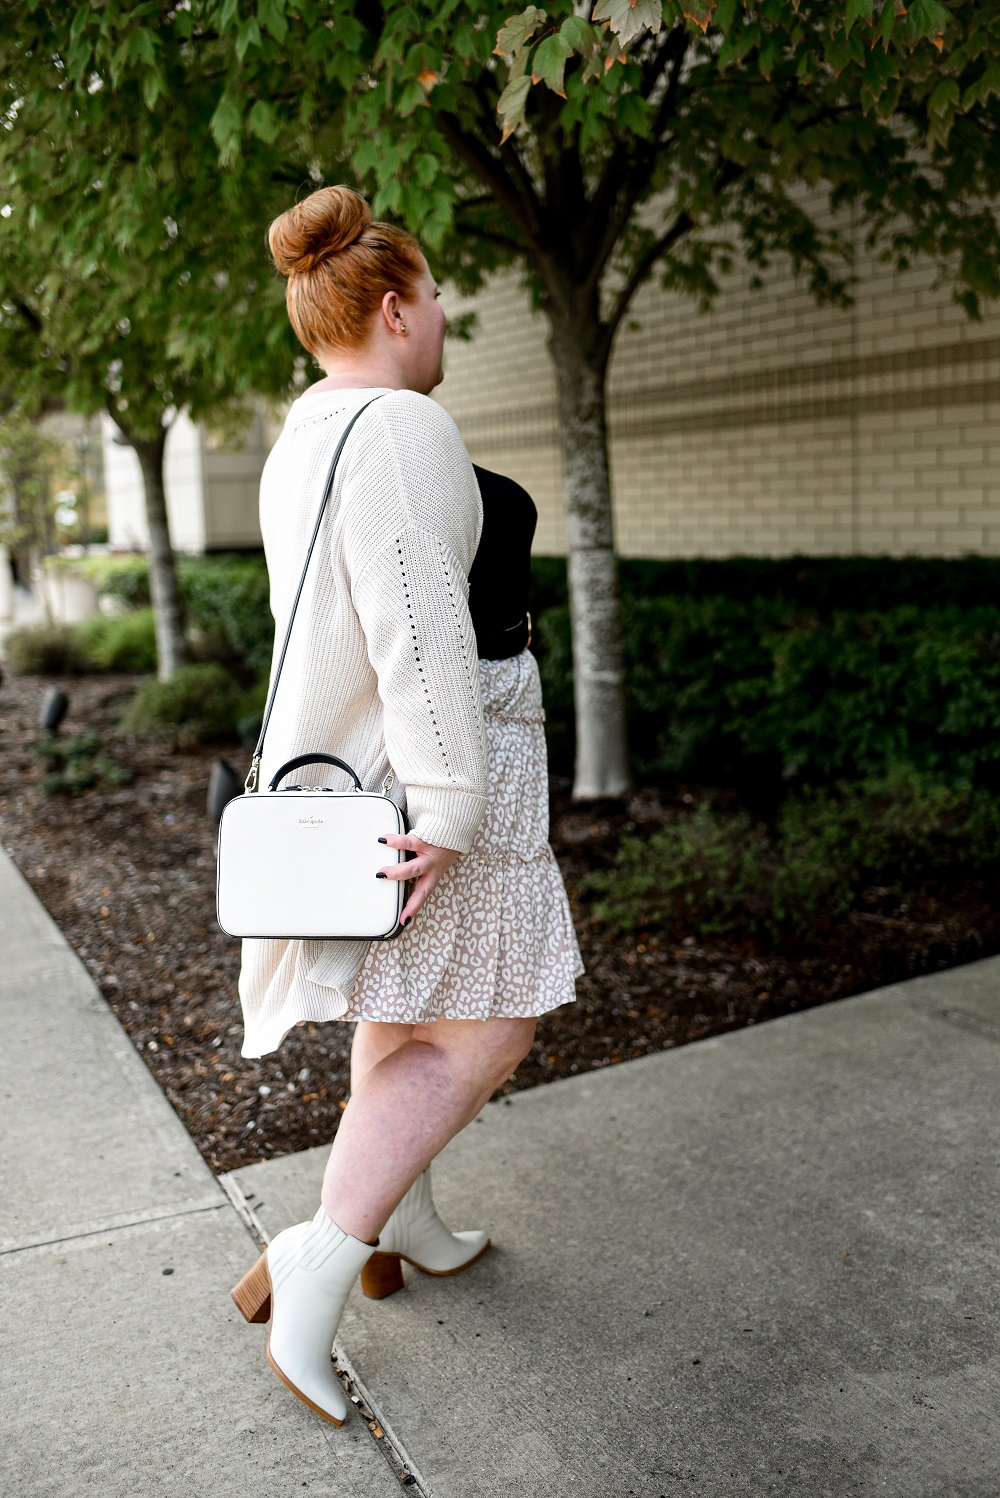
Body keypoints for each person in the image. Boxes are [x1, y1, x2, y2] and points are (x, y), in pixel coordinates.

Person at [229, 185, 584, 1427]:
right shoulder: (399, 426)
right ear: (393, 306)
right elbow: (417, 632)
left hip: (386, 767)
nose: (440, 316)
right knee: (490, 1027)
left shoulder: (311, 430)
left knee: (411, 1009)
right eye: (432, 296)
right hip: (444, 764)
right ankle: (322, 1255)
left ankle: (402, 1220)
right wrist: (447, 804)